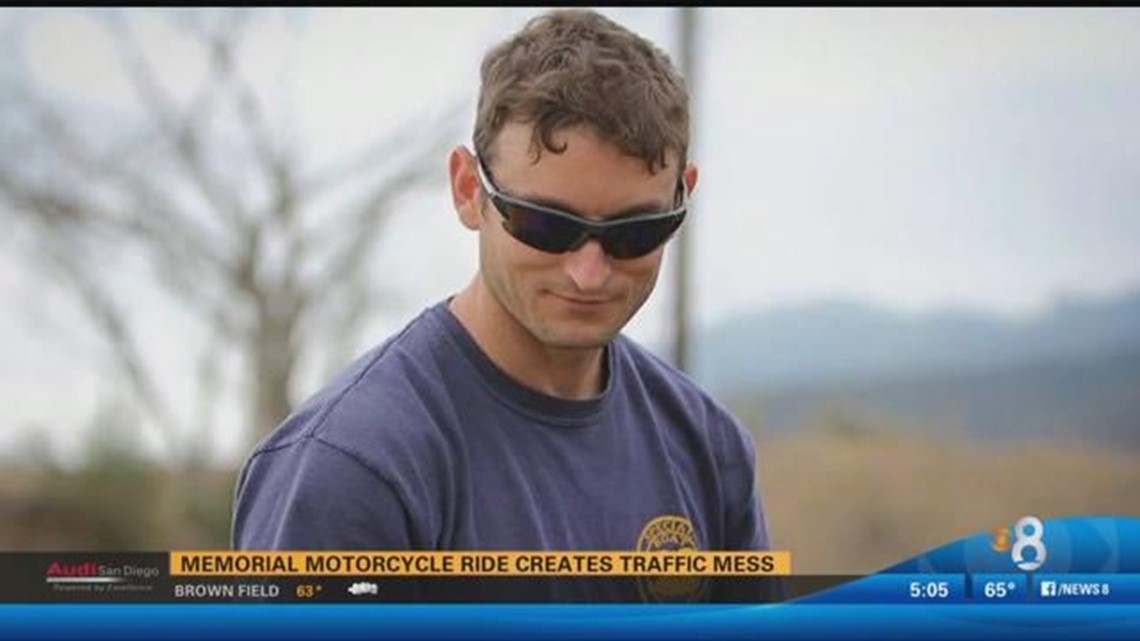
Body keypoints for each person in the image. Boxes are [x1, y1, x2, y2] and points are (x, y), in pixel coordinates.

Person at [232, 8, 772, 603]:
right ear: (469, 191)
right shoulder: (353, 468)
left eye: (635, 231)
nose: (588, 272)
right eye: (544, 224)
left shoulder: (707, 448)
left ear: (683, 197)